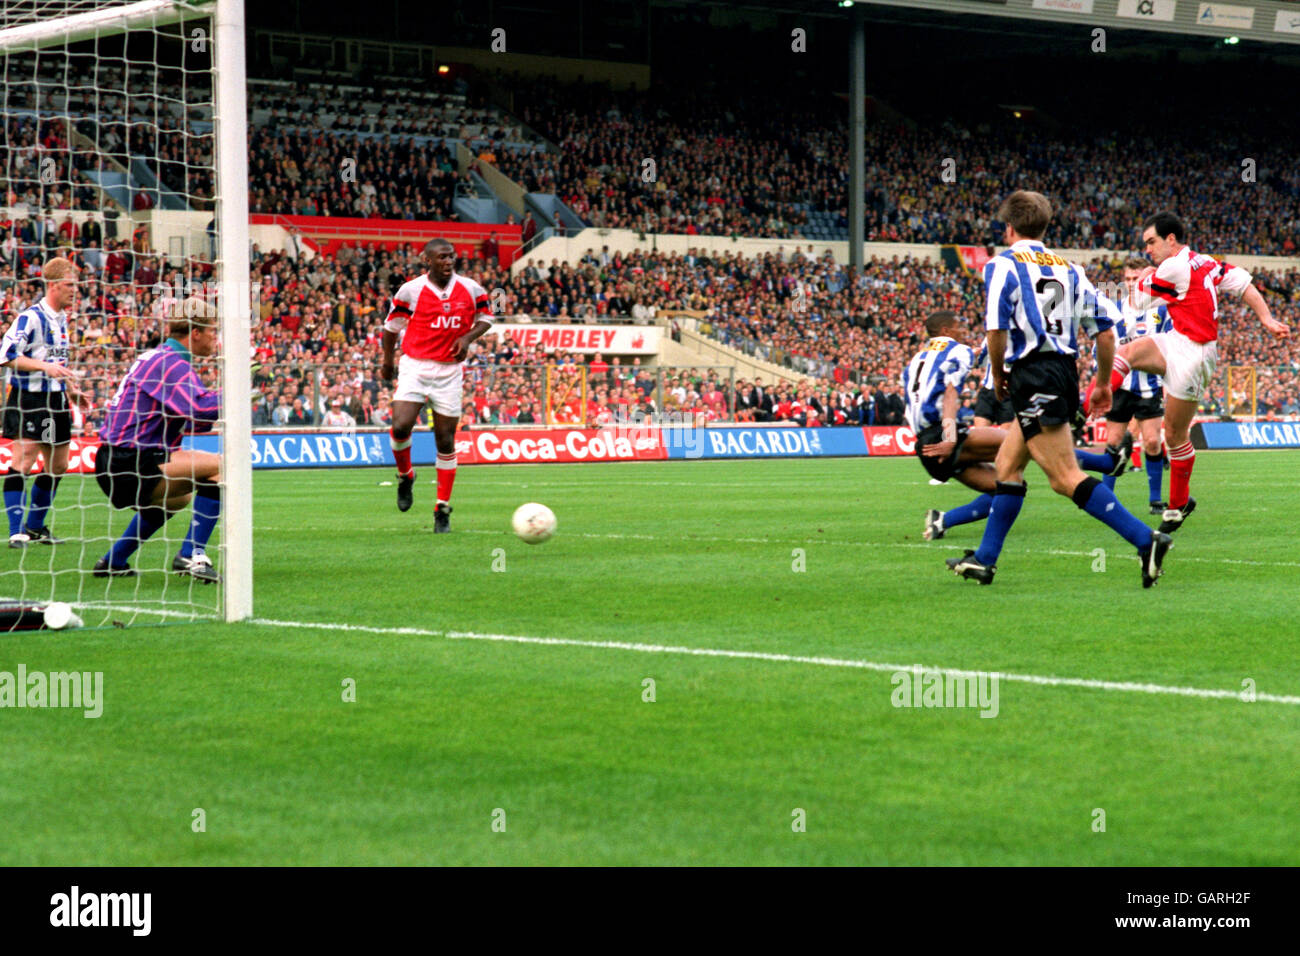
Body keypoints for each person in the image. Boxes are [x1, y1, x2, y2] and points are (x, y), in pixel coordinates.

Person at [948, 190, 1171, 588]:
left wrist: (998, 372)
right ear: (1046, 227)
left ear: (1009, 228)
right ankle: (984, 559)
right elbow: (1105, 329)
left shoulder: (1003, 265)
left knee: (1063, 478)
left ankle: (1145, 539)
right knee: (1008, 467)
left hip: (1031, 375)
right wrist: (1102, 383)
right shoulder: (1069, 269)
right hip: (1062, 372)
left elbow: (995, 328)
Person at [1097, 211, 1289, 534]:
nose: (1148, 250)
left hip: (1195, 356)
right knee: (1127, 352)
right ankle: (1097, 395)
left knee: (1173, 434)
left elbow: (1138, 300)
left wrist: (1144, 275)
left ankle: (1178, 504)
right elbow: (1245, 285)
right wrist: (1266, 319)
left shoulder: (1172, 266)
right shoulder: (1205, 262)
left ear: (1170, 239)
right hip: (1177, 340)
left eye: (1151, 242)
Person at [92, 298, 223, 582]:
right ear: (195, 332)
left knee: (179, 498)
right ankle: (191, 553)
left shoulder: (161, 357)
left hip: (117, 458)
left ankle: (114, 560)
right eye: (213, 329)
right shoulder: (171, 363)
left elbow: (196, 420)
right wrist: (234, 392)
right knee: (222, 468)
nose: (216, 336)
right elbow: (199, 408)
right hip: (129, 460)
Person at [381, 238, 493, 532]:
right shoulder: (411, 290)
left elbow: (487, 317)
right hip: (415, 367)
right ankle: (406, 475)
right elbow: (390, 328)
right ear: (427, 260)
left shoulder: (471, 288)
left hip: (450, 371)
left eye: (451, 256)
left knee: (445, 440)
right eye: (442, 257)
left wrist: (467, 338)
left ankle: (441, 508)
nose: (448, 261)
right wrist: (387, 362)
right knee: (401, 425)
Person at [901, 310, 1007, 542]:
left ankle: (941, 521)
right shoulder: (958, 351)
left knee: (1007, 487)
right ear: (946, 331)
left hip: (926, 448)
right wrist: (949, 437)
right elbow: (950, 395)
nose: (962, 330)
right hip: (943, 436)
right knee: (1022, 442)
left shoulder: (915, 359)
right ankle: (1101, 464)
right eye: (958, 326)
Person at [1075, 258, 1172, 513]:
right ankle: (1105, 500)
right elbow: (1101, 345)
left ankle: (1155, 501)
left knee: (1152, 442)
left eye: (1136, 278)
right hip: (1119, 387)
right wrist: (1103, 377)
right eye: (1127, 279)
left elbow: (1173, 344)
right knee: (1114, 444)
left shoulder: (1160, 309)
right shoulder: (1114, 310)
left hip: (1150, 386)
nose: (1131, 283)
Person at [1, 257, 82, 547]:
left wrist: (71, 390)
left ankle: (35, 526)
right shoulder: (30, 317)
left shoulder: (62, 320)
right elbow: (6, 355)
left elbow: (57, 363)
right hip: (29, 398)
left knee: (58, 464)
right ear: (54, 285)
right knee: (24, 458)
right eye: (70, 285)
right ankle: (16, 530)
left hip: (56, 399)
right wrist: (42, 367)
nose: (76, 291)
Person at [970, 337, 1016, 428]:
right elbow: (979, 359)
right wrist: (972, 355)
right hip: (988, 391)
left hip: (1008, 392)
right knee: (980, 433)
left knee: (1005, 435)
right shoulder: (990, 336)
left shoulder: (1021, 336)